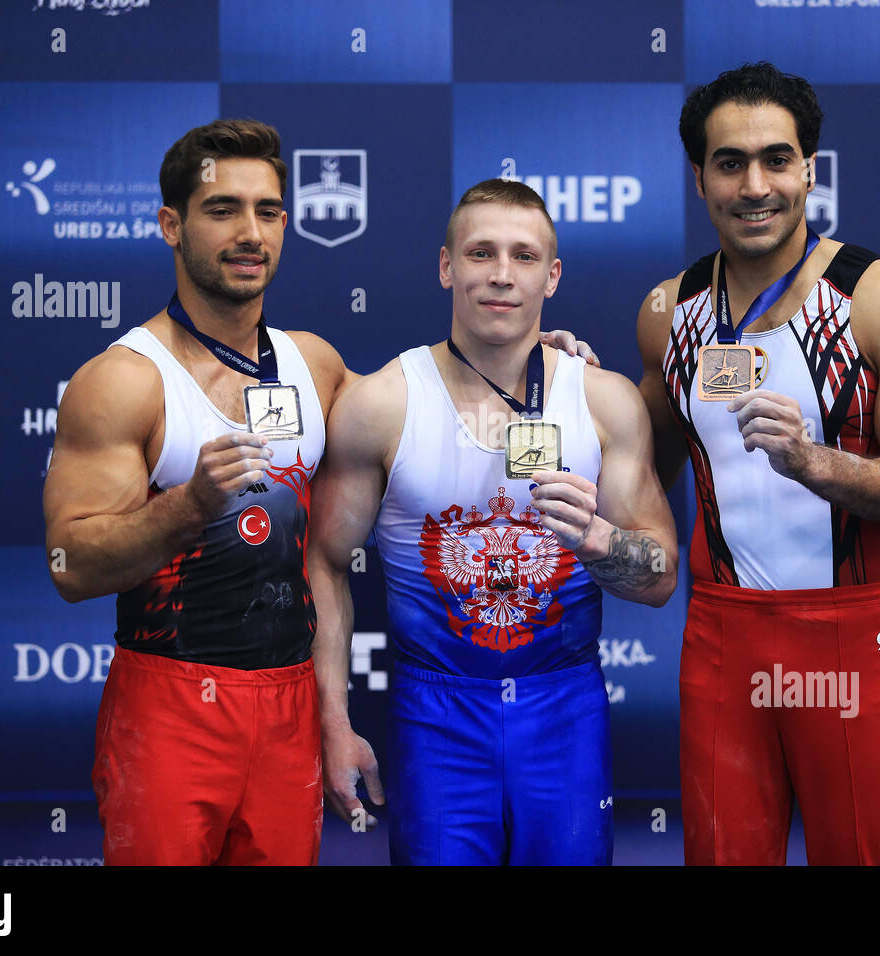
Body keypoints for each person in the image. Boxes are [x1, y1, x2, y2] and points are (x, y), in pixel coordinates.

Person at [43, 120, 599, 865]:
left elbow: (428, 398)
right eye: (222, 210)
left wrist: (534, 355)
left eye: (268, 211)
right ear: (170, 225)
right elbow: (70, 566)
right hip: (169, 699)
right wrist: (186, 507)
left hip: (287, 707)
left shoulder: (314, 365)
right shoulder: (124, 380)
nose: (250, 233)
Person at [636, 63, 880, 865]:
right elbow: (636, 469)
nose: (755, 186)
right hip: (721, 640)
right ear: (699, 178)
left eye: (776, 160)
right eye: (730, 163)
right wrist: (551, 383)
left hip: (851, 636)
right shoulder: (665, 313)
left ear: (810, 168)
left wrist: (819, 465)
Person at [308, 179, 678, 865]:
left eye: (524, 256)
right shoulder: (381, 404)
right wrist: (333, 720)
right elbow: (324, 561)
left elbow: (659, 576)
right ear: (447, 266)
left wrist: (601, 543)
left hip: (564, 706)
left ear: (552, 275)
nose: (502, 275)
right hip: (435, 712)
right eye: (481, 253)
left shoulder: (603, 401)